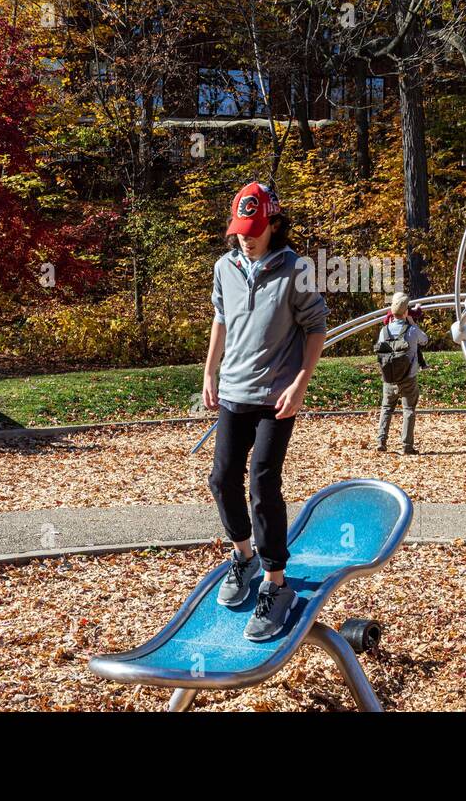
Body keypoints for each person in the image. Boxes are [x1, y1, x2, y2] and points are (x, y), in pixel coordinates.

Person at [202, 181, 328, 642]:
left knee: (262, 480)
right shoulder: (224, 267)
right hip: (234, 389)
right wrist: (210, 372)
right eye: (239, 230)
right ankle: (244, 555)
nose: (246, 238)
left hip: (277, 395)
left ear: (274, 224)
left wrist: (300, 382)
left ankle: (277, 584)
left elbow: (316, 327)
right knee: (221, 478)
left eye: (254, 229)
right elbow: (221, 318)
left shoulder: (297, 270)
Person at [375, 292, 429, 454]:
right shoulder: (411, 331)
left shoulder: (384, 331)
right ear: (406, 312)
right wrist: (413, 323)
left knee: (386, 408)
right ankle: (407, 445)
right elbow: (424, 340)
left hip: (389, 378)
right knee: (409, 410)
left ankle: (381, 441)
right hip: (408, 378)